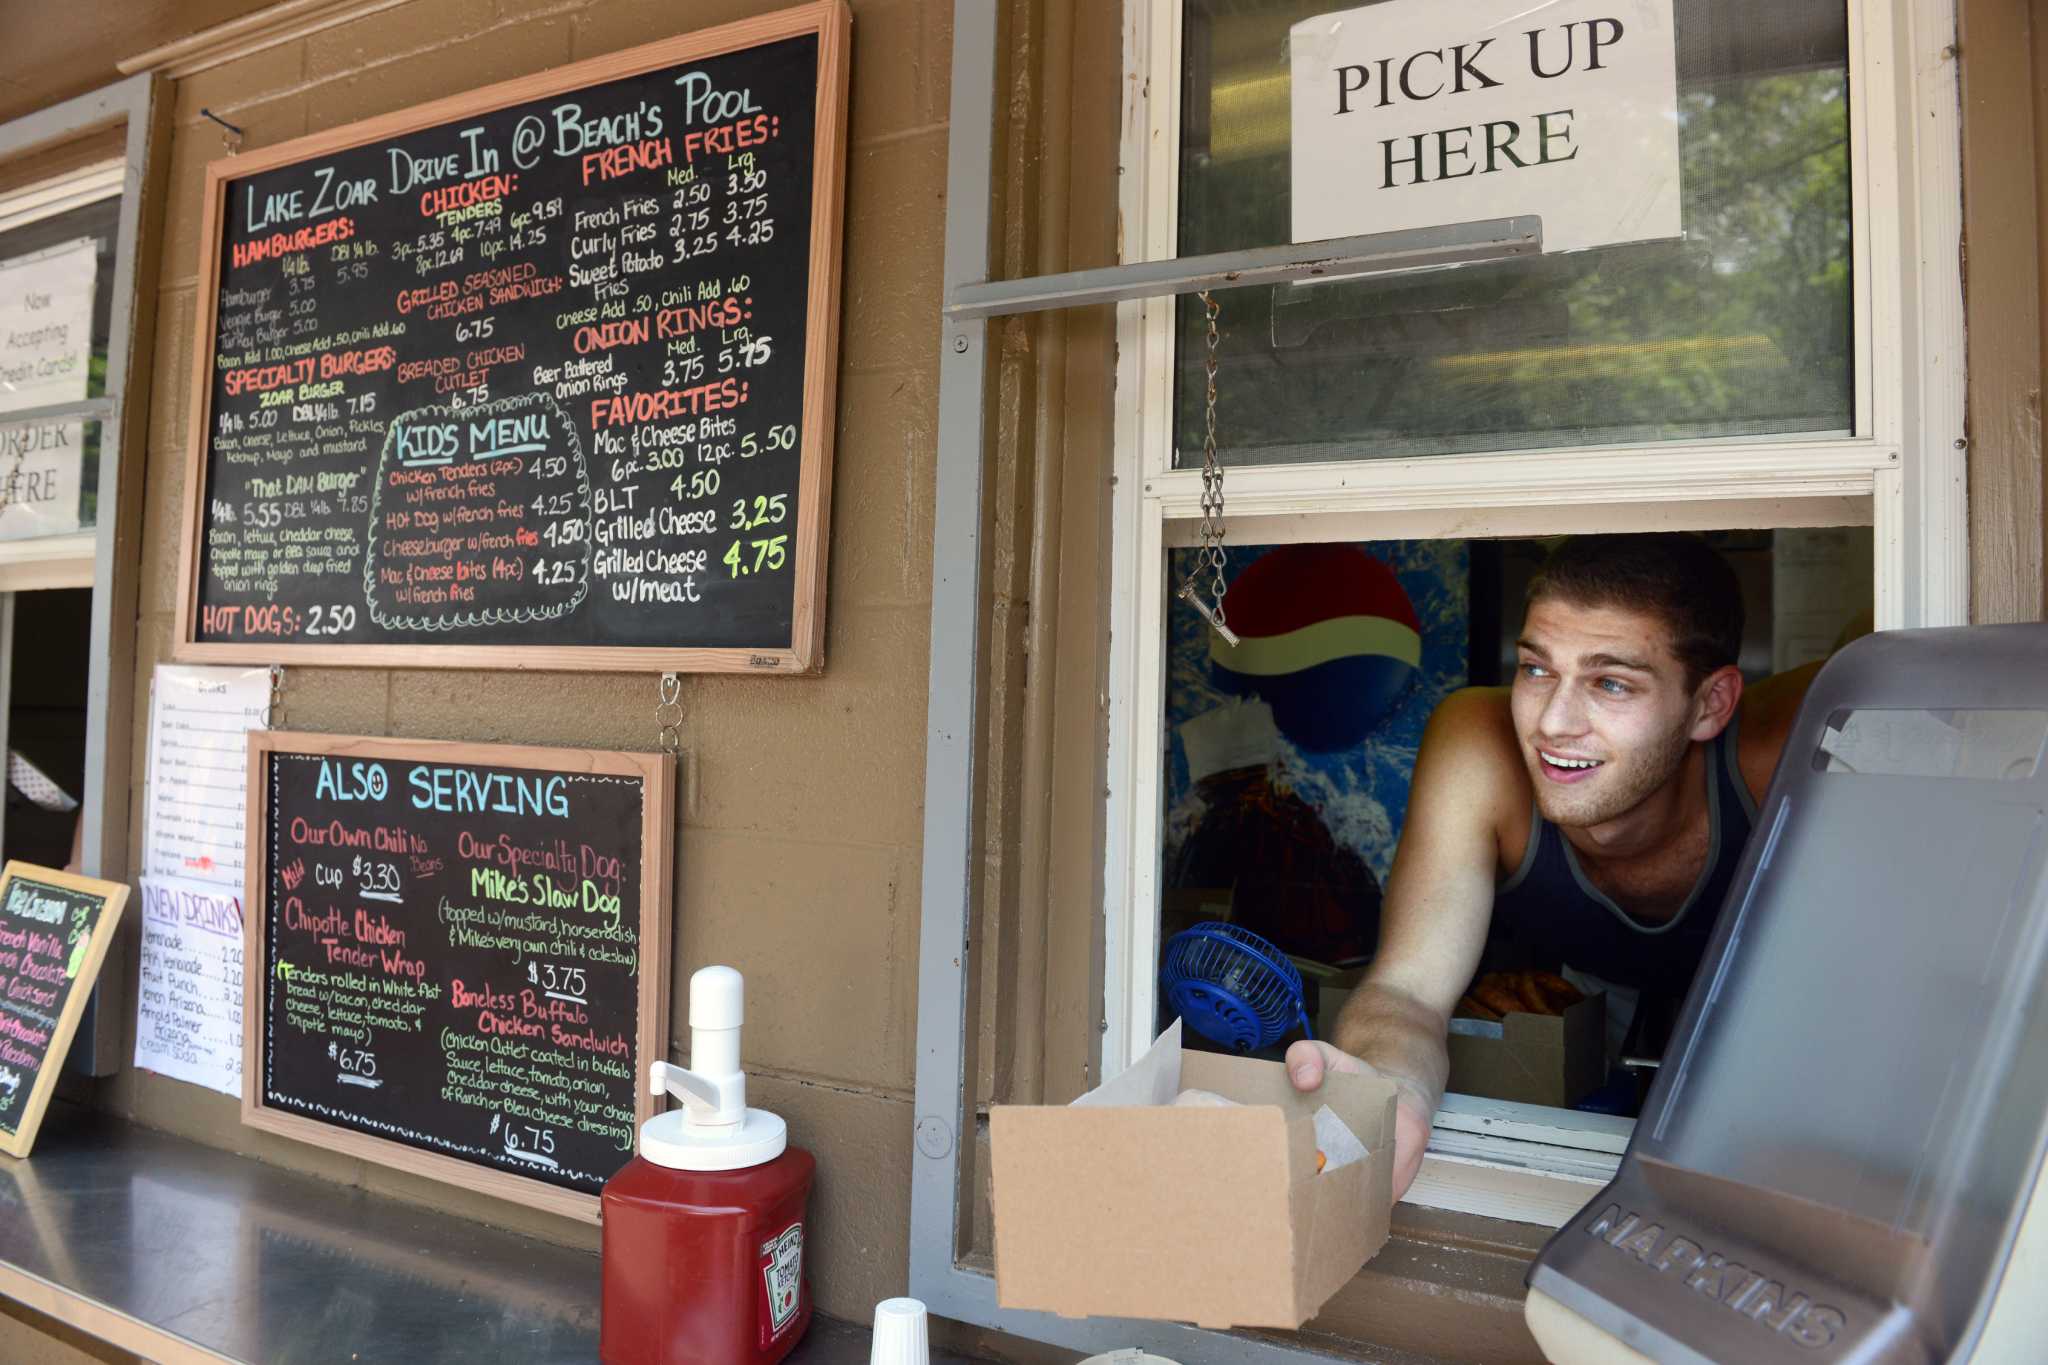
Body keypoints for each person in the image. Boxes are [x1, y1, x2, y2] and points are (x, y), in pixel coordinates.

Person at [1285, 534, 1824, 1199]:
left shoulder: (1790, 752)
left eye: (1610, 682)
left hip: (1759, 1004)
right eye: (1536, 668)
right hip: (1584, 994)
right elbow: (1408, 993)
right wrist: (1390, 1091)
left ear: (1710, 704)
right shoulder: (1478, 742)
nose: (1552, 722)